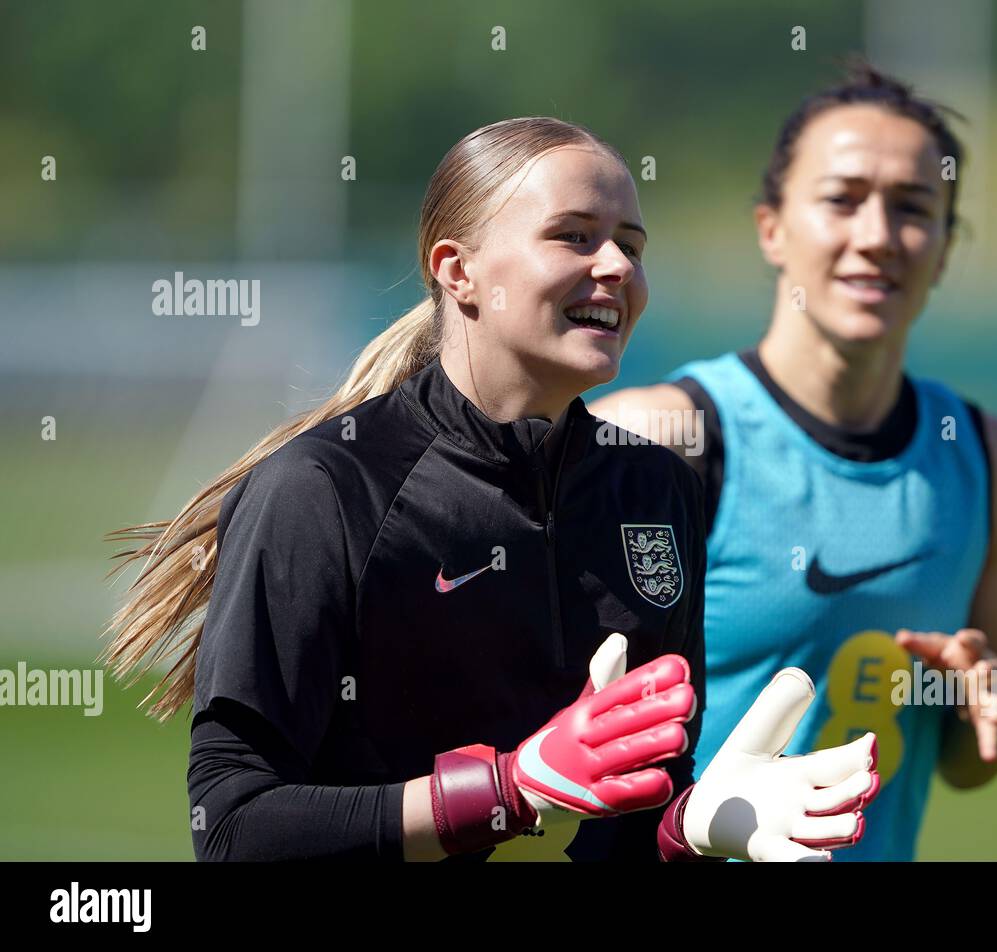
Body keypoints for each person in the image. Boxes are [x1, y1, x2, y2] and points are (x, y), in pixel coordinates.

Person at [102, 117, 878, 862]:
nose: (615, 266)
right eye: (575, 235)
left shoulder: (656, 489)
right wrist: (504, 791)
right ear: (457, 270)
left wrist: (693, 825)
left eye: (631, 246)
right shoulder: (323, 489)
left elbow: (623, 819)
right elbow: (233, 829)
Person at [591, 63, 997, 861]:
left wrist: (987, 701)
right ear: (772, 227)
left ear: (944, 248)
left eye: (912, 208)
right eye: (842, 199)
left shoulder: (992, 460)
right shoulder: (659, 437)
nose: (875, 235)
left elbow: (970, 764)